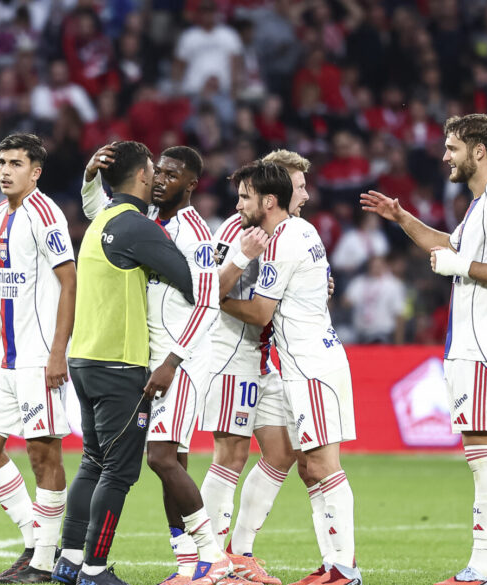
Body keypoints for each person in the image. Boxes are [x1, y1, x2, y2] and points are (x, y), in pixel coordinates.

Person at [361, 114, 487, 585]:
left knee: (482, 450)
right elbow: (447, 246)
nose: (444, 156)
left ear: (479, 151)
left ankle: (479, 567)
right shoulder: (481, 204)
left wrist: (463, 264)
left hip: (485, 345)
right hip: (478, 345)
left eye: (453, 147)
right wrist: (401, 217)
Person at [79, 144, 234, 585]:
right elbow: (98, 215)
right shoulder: (146, 223)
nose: (161, 179)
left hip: (182, 361)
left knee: (161, 456)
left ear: (190, 184)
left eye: (172, 174)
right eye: (158, 172)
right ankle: (187, 562)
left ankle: (212, 555)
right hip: (155, 359)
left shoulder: (196, 234)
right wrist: (92, 175)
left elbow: (207, 303)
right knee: (174, 460)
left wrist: (171, 361)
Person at [54, 141, 199, 585]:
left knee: (92, 464)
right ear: (141, 177)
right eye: (154, 170)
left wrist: (88, 175)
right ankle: (94, 570)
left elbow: (96, 200)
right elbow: (192, 280)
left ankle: (69, 561)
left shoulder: (102, 220)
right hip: (119, 365)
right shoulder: (137, 227)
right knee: (118, 472)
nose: (158, 177)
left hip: (84, 357)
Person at [220, 161, 361, 585]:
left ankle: (344, 569)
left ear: (266, 201)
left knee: (323, 465)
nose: (238, 204)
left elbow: (261, 311)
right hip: (310, 361)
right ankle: (333, 563)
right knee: (308, 467)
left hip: (310, 367)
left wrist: (216, 297)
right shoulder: (303, 231)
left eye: (245, 196)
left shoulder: (283, 239)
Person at [197, 149, 316, 585]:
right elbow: (210, 289)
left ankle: (241, 552)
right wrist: (242, 258)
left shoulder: (292, 234)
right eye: (298, 185)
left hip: (267, 359)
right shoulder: (236, 228)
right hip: (232, 354)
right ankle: (209, 560)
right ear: (273, 189)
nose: (304, 194)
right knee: (230, 453)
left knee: (282, 453)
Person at [0, 133, 76, 584]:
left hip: (39, 359)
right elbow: (9, 288)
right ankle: (37, 542)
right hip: (9, 357)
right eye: (1, 162)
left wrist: (57, 353)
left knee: (42, 455)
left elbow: (69, 283)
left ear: (36, 172)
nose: (4, 170)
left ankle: (45, 564)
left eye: (15, 163)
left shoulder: (45, 214)